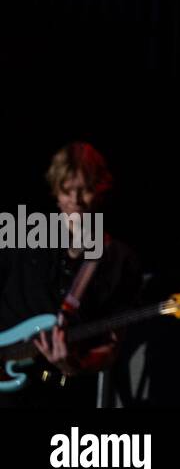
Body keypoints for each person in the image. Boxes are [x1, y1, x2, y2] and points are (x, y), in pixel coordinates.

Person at [0, 141, 142, 408]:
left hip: (58, 392)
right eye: (67, 190)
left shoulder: (119, 260)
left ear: (101, 190)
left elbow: (111, 348)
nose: (75, 200)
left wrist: (77, 364)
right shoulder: (22, 235)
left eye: (85, 190)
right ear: (55, 190)